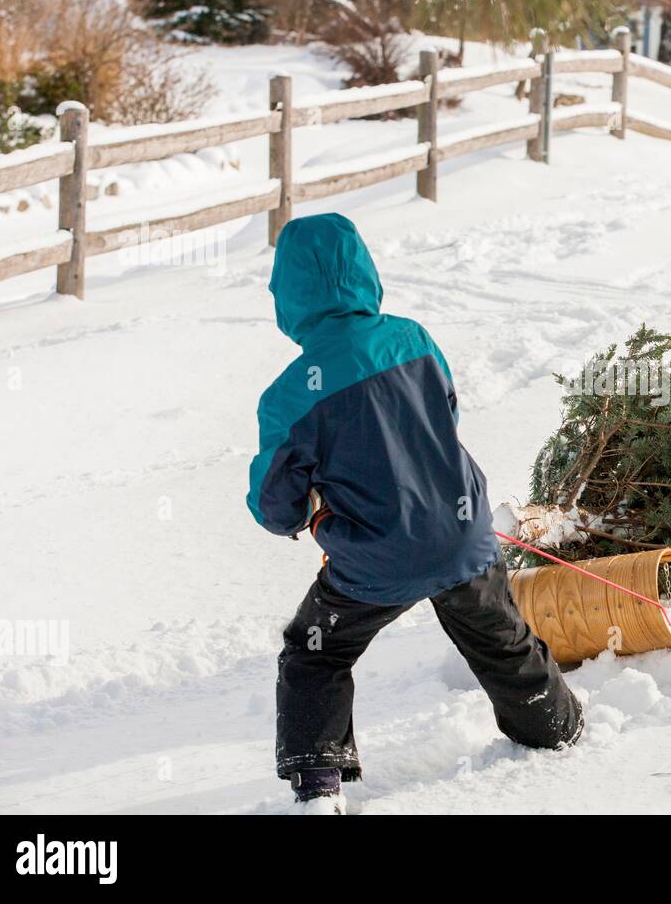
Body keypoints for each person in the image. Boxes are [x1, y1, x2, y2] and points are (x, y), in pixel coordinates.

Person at [247, 213, 582, 814]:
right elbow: (443, 418)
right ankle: (559, 731)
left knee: (314, 651)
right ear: (363, 274)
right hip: (461, 534)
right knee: (500, 638)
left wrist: (311, 510)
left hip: (375, 559)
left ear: (287, 295)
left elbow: (277, 507)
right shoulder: (414, 339)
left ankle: (319, 787)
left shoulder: (291, 394)